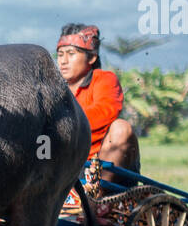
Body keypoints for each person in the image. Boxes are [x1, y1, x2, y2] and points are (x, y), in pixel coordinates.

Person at [55, 23, 139, 183]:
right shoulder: (53, 89)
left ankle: (96, 196)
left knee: (121, 128)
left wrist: (60, 123)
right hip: (67, 164)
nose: (63, 61)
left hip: (103, 164)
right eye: (60, 55)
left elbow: (104, 112)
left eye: (71, 54)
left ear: (92, 57)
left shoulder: (104, 79)